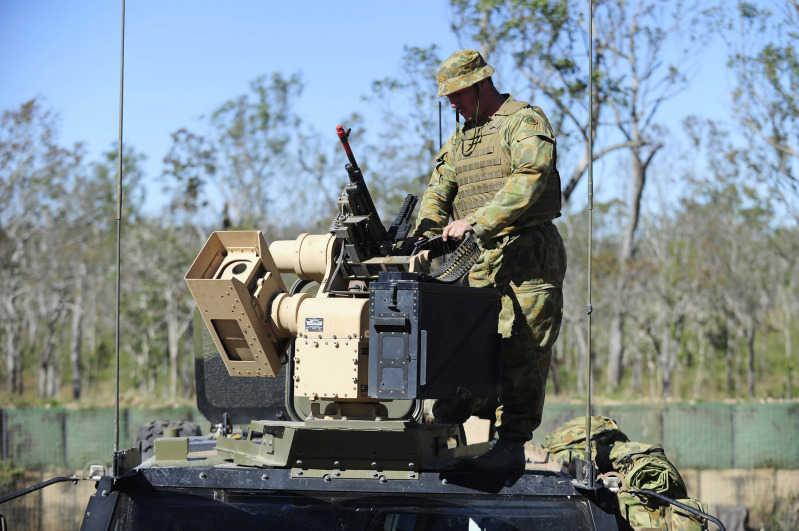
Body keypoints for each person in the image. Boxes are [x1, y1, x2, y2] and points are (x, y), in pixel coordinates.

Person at [412, 49, 567, 473]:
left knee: (523, 353)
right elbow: (439, 189)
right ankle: (445, 426)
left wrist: (477, 220)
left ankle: (511, 444)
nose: (453, 104)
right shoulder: (461, 138)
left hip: (529, 260)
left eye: (459, 94)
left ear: (483, 85)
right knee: (467, 347)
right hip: (480, 265)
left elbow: (531, 176)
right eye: (448, 98)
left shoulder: (524, 121)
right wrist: (424, 234)